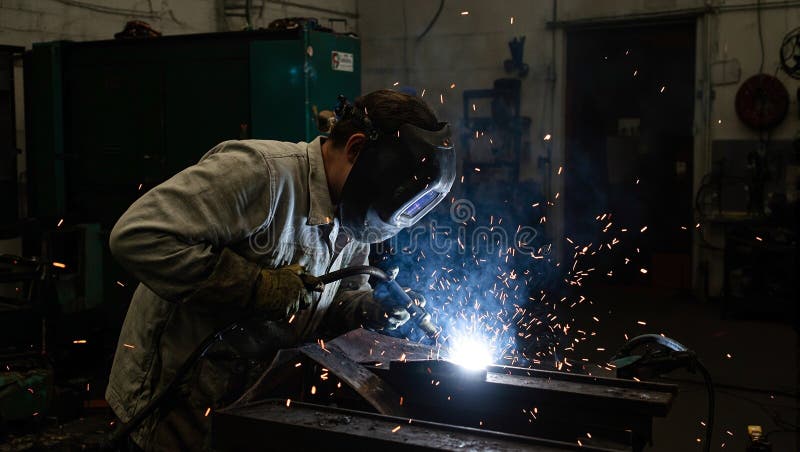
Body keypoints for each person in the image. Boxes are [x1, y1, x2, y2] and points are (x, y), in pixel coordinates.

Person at [105, 89, 455, 451]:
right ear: (354, 149)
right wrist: (255, 285)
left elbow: (332, 297)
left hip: (252, 396)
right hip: (176, 394)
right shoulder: (261, 174)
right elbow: (137, 236)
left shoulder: (352, 210)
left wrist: (366, 307)